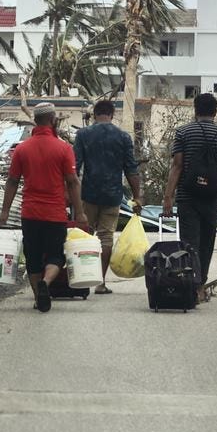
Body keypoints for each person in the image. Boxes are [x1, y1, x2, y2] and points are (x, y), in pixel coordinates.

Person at [0, 103, 87, 312]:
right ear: (53, 120)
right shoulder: (63, 148)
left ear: (35, 121)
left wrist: (4, 212)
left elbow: (12, 181)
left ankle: (39, 298)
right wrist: (80, 212)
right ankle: (45, 284)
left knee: (33, 258)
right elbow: (73, 181)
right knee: (56, 256)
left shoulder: (22, 149)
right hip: (55, 213)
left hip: (30, 213)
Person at [162, 93, 217, 302]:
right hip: (212, 196)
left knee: (189, 242)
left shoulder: (183, 132)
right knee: (207, 242)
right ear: (215, 112)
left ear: (195, 110)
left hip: (187, 196)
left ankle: (190, 284)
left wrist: (168, 196)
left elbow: (177, 165)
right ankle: (200, 288)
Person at [73, 99, 143, 294]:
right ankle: (100, 283)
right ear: (112, 115)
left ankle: (83, 280)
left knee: (85, 235)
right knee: (106, 237)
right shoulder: (123, 137)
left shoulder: (83, 134)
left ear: (95, 115)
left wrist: (70, 195)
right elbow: (131, 169)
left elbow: (74, 167)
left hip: (88, 194)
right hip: (112, 195)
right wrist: (137, 196)